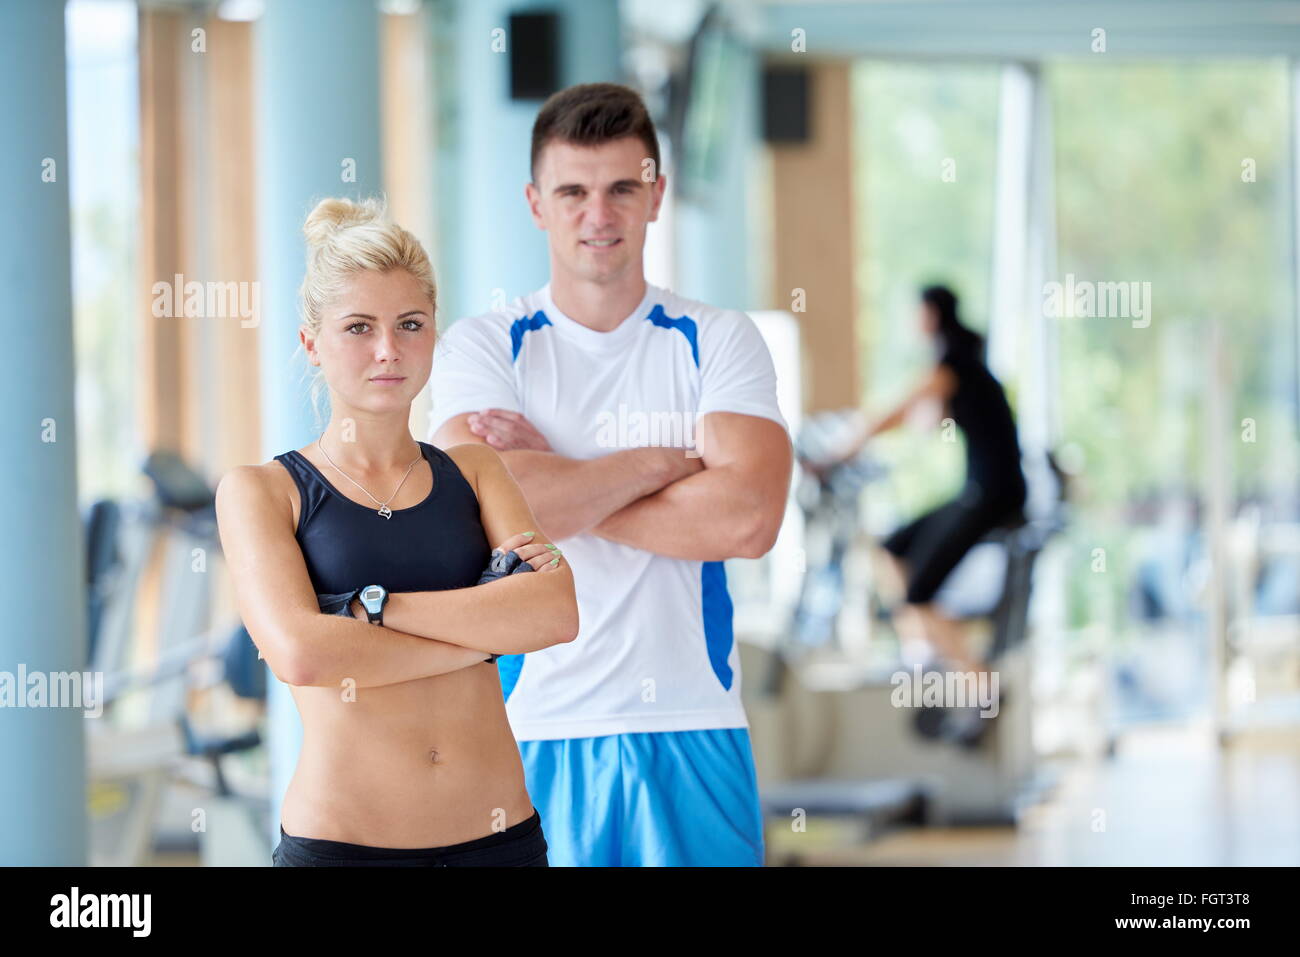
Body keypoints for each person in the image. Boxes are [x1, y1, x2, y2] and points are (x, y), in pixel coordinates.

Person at [428, 83, 792, 866]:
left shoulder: (718, 340)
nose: (600, 215)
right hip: (536, 730)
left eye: (623, 187)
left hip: (693, 724)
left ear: (656, 193)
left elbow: (748, 520)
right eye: (573, 192)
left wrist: (550, 481)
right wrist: (661, 467)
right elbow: (469, 511)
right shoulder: (485, 346)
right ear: (535, 203)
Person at [215, 197, 578, 867]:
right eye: (358, 327)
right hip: (344, 847)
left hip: (500, 844)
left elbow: (553, 610)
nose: (388, 350)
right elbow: (303, 654)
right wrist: (479, 636)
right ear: (311, 342)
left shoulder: (475, 469)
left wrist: (367, 612)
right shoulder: (262, 492)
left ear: (434, 331)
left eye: (410, 324)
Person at [827, 284, 1026, 698]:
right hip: (984, 490)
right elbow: (925, 420)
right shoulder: (961, 363)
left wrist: (840, 452)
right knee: (891, 548)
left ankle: (980, 686)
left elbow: (897, 412)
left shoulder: (952, 365)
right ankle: (921, 651)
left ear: (932, 315)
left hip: (992, 495)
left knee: (919, 595)